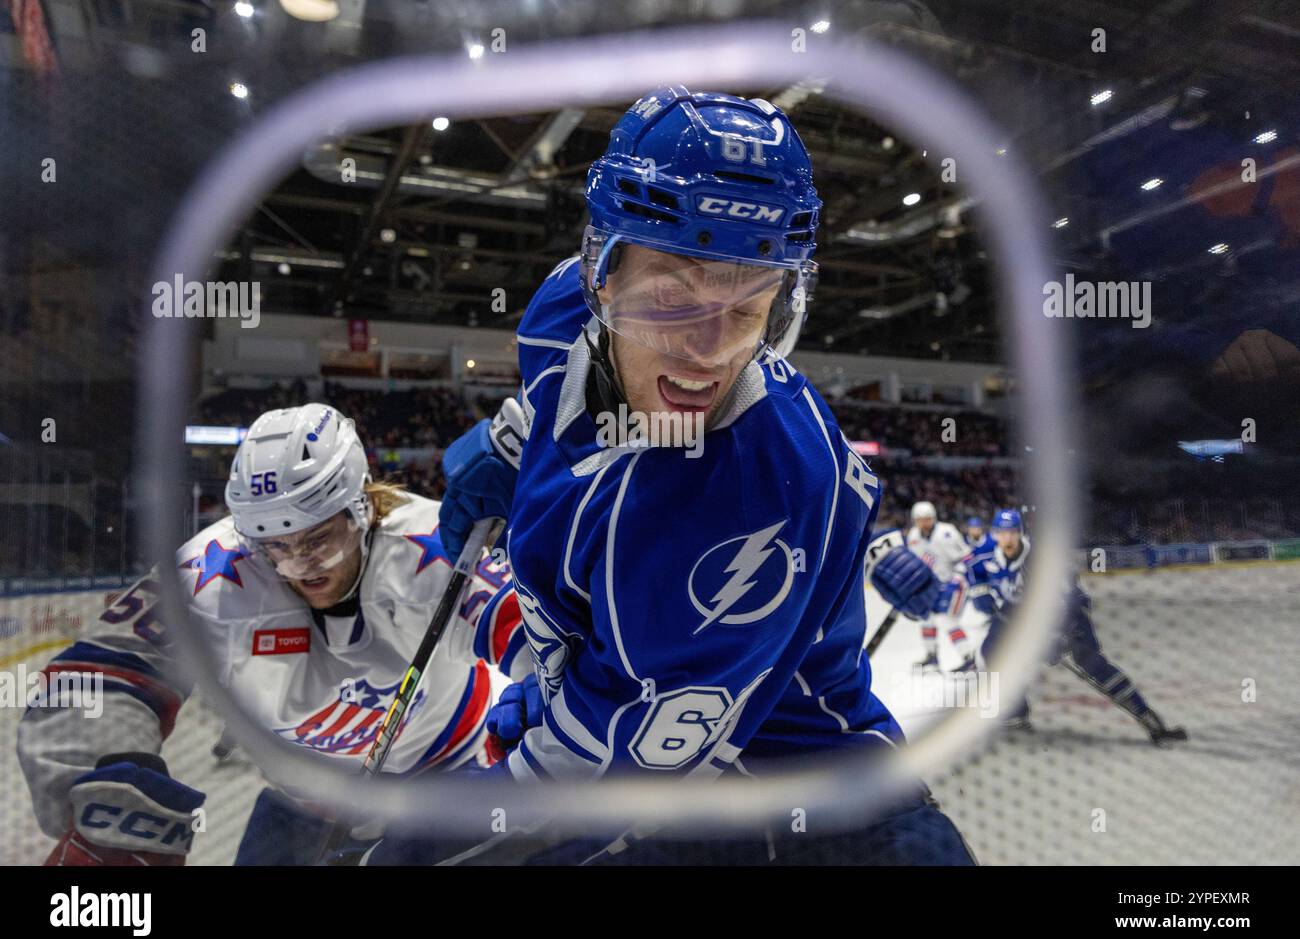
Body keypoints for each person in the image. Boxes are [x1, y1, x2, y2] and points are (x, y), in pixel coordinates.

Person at [431, 87, 975, 865]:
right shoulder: (557, 316)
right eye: (670, 300)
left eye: (748, 310)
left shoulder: (755, 491)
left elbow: (618, 754)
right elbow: (565, 413)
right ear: (600, 276)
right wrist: (511, 436)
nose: (708, 353)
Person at [18, 403, 528, 865]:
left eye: (317, 539)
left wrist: (542, 731)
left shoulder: (439, 549)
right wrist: (102, 777)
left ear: (362, 508)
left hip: (449, 779)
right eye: (273, 546)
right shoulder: (212, 572)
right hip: (303, 804)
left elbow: (545, 643)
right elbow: (104, 674)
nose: (297, 564)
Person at [960, 508, 1188, 745]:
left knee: (1093, 665)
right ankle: (1016, 712)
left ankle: (1149, 719)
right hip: (1016, 616)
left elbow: (1065, 601)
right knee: (992, 652)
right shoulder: (982, 556)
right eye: (1001, 533)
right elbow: (980, 590)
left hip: (1067, 616)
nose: (1007, 538)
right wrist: (984, 600)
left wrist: (1056, 637)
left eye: (1012, 532)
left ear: (1021, 533)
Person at [906, 501, 975, 671]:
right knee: (926, 619)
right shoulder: (913, 536)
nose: (924, 522)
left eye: (927, 518)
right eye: (920, 519)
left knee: (947, 620)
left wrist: (958, 576)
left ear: (934, 517)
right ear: (915, 520)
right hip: (931, 586)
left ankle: (969, 658)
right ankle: (932, 657)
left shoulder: (947, 532)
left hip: (954, 583)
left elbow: (966, 556)